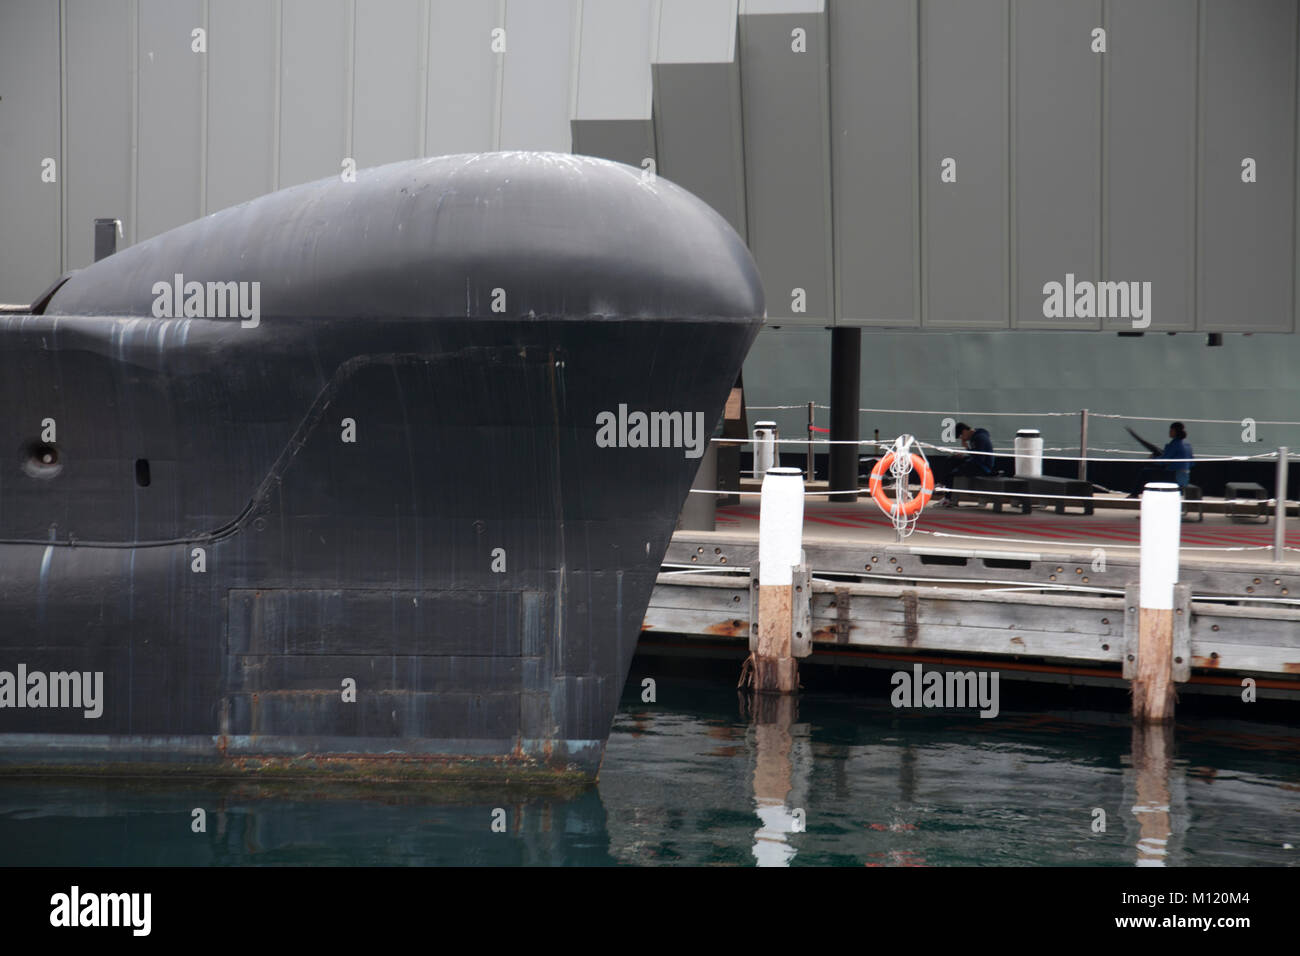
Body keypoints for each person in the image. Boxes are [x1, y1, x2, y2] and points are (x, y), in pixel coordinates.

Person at [1130, 422, 1193, 495]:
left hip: (1174, 477)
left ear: (1174, 431)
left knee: (1145, 472)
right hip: (1185, 478)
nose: (1169, 432)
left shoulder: (1174, 444)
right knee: (1156, 471)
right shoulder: (1188, 445)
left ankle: (1134, 495)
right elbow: (1192, 463)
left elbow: (1162, 461)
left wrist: (1152, 459)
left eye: (1170, 430)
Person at [940, 422, 995, 503]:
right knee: (951, 460)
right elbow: (976, 455)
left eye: (961, 436)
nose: (962, 439)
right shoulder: (976, 436)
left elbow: (980, 458)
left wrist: (967, 449)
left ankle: (948, 498)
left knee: (953, 474)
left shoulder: (980, 438)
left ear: (965, 431)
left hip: (983, 467)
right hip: (977, 463)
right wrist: (966, 456)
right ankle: (942, 483)